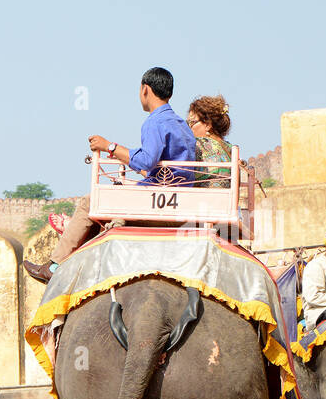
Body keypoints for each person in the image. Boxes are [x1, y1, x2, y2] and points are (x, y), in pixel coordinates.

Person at [23, 67, 197, 283]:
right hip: (179, 202)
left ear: (145, 90)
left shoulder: (155, 122)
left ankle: (55, 265)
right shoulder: (182, 125)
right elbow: (160, 166)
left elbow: (146, 160)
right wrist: (123, 156)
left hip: (155, 203)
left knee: (89, 202)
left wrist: (110, 146)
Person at [188, 94, 233, 188]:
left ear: (208, 125)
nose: (188, 128)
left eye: (192, 123)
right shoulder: (229, 148)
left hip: (204, 200)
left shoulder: (201, 144)